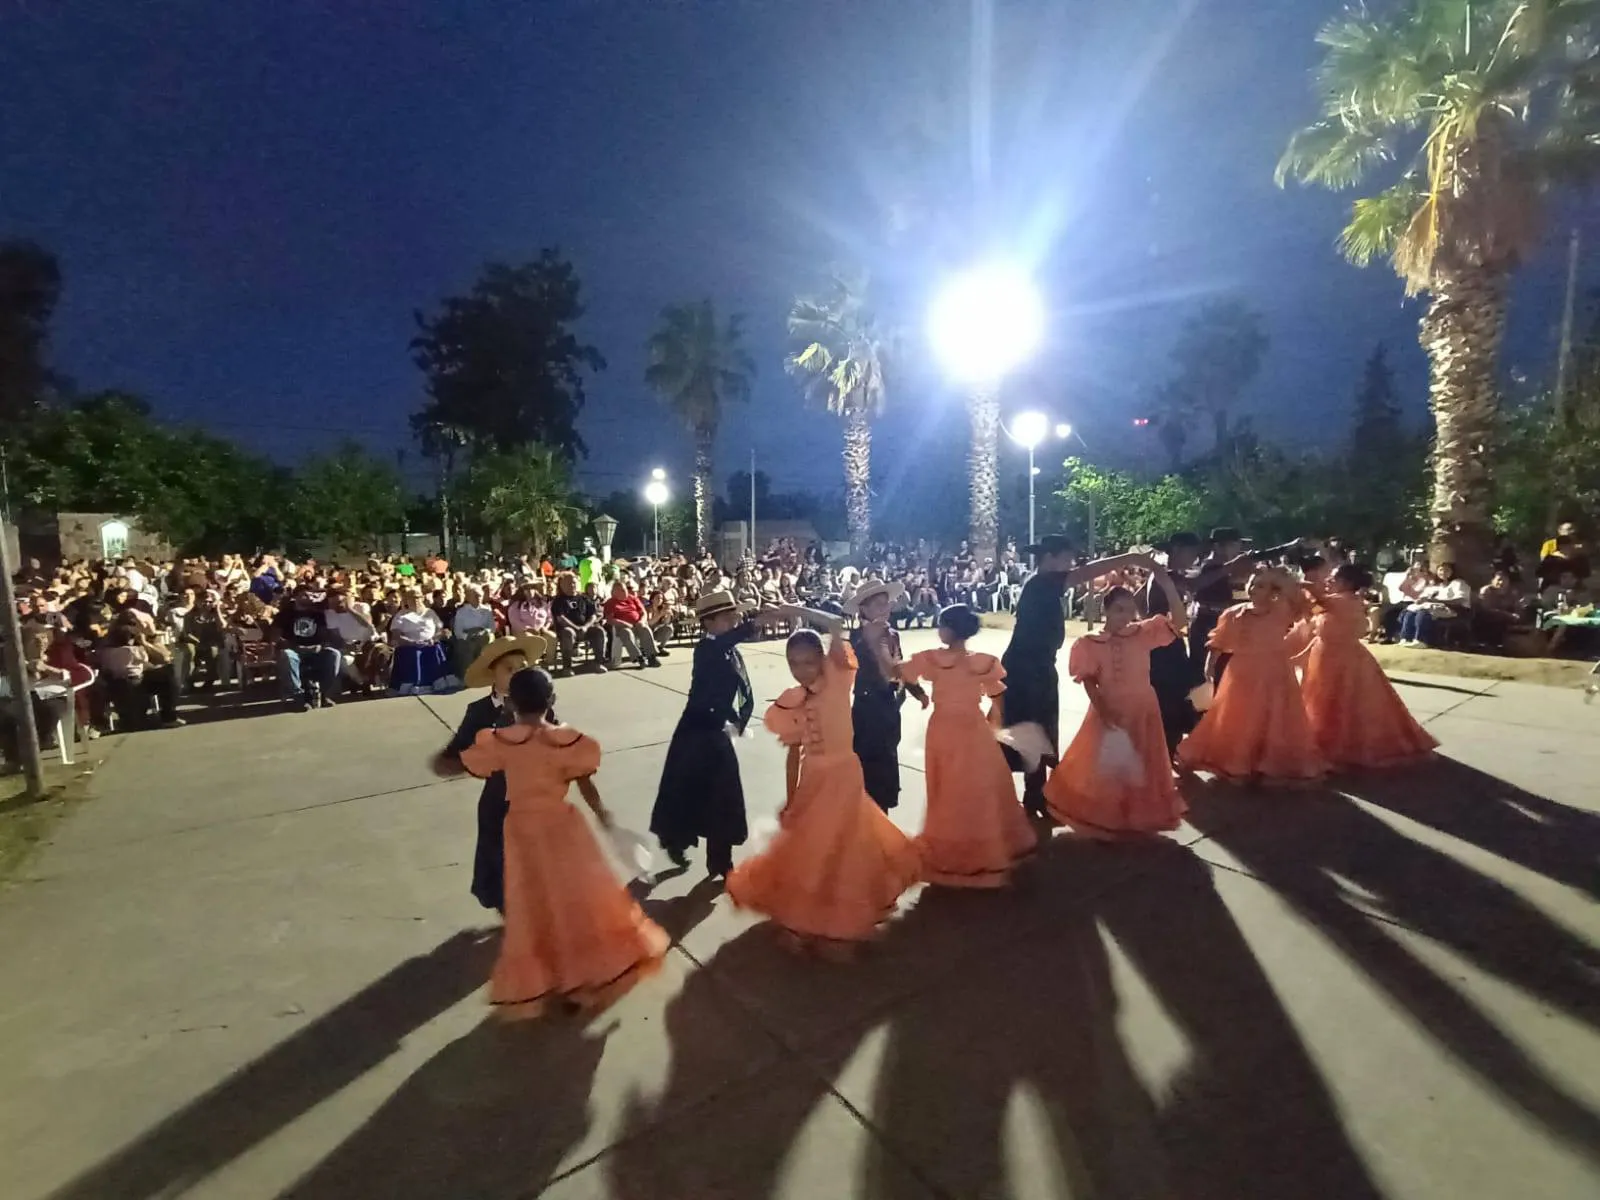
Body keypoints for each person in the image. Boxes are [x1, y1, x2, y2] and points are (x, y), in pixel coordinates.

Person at [433, 667, 669, 1014]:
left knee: (534, 903)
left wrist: (444, 761)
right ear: (552, 701)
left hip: (521, 829)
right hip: (562, 827)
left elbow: (459, 765)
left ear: (512, 704)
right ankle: (582, 975)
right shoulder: (568, 740)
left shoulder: (501, 741)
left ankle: (551, 975)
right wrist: (604, 817)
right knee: (572, 900)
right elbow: (585, 781)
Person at [725, 609, 921, 957]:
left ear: (823, 660)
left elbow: (834, 625)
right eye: (793, 663)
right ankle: (806, 915)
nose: (801, 670)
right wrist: (792, 798)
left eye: (807, 662)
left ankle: (833, 916)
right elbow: (794, 753)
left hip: (843, 774)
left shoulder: (838, 679)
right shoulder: (793, 700)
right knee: (814, 847)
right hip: (814, 781)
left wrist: (789, 611)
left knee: (838, 846)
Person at [998, 535, 1161, 815]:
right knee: (1031, 732)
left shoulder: (1043, 585)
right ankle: (1031, 795)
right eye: (1067, 557)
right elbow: (1088, 572)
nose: (1071, 564)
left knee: (1036, 732)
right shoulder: (1042, 583)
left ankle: (1035, 794)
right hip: (1025, 670)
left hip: (1035, 667)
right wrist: (1130, 559)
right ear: (1051, 557)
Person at [1046, 569, 1189, 838]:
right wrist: (1103, 709)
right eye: (1119, 610)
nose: (1125, 616)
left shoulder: (1143, 633)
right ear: (1106, 610)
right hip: (1109, 708)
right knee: (1107, 766)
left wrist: (1169, 587)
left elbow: (1178, 622)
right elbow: (1089, 681)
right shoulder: (1089, 643)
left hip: (1144, 708)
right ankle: (1106, 815)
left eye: (1129, 611)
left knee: (1142, 761)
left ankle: (1137, 814)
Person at [900, 604, 1036, 885]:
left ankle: (954, 843)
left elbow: (902, 672)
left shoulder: (933, 659)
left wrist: (918, 692)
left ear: (950, 629)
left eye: (941, 624)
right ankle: (981, 838)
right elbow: (997, 693)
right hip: (973, 728)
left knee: (948, 784)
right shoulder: (981, 661)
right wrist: (994, 720)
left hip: (944, 728)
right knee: (976, 784)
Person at [649, 591, 779, 877]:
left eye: (734, 615)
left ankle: (720, 860)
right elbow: (726, 644)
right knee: (686, 789)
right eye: (726, 617)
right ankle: (676, 842)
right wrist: (756, 621)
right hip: (695, 730)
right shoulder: (707, 648)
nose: (733, 620)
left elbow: (725, 691)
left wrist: (734, 719)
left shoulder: (728, 649)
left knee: (723, 794)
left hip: (717, 727)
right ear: (707, 622)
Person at [1177, 567, 1327, 784]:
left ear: (1273, 590)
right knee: (1240, 716)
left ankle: (1268, 763)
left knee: (1274, 717)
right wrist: (1209, 668)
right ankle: (1238, 761)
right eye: (1254, 584)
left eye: (1263, 586)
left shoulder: (1282, 609)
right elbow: (1217, 643)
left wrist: (1280, 578)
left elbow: (1307, 603)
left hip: (1276, 672)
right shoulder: (1233, 613)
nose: (1256, 589)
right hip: (1242, 672)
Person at [439, 634, 551, 913]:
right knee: (500, 853)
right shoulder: (479, 711)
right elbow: (458, 752)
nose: (516, 674)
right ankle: (507, 903)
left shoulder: (536, 704)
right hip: (499, 798)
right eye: (509, 669)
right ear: (493, 675)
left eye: (522, 667)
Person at [1298, 565, 1438, 769]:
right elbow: (1312, 610)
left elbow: (1316, 599)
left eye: (1333, 578)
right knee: (1330, 701)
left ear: (1347, 583)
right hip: (1329, 656)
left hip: (1340, 660)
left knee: (1338, 702)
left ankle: (1337, 746)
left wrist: (1298, 583)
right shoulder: (1340, 601)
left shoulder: (1343, 600)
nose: (1328, 580)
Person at [846, 580, 927, 813]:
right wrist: (876, 641)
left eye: (886, 604)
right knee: (869, 760)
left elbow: (899, 666)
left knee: (888, 756)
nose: (885, 609)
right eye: (878, 605)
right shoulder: (858, 637)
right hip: (868, 708)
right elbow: (879, 665)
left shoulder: (893, 634)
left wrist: (915, 689)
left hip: (890, 706)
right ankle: (868, 811)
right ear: (864, 609)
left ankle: (883, 811)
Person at [1144, 532, 1204, 756]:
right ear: (1177, 549)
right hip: (1164, 650)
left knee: (1175, 700)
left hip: (1168, 644)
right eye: (1191, 551)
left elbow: (1141, 600)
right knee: (1170, 703)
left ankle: (1169, 751)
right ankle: (1165, 756)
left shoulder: (1161, 575)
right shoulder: (1167, 576)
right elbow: (1197, 582)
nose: (1195, 556)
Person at [274, 585, 343, 710]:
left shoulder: (318, 615)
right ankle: (298, 697)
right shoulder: (285, 614)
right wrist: (295, 646)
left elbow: (326, 636)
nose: (310, 597)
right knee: (287, 655)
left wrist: (320, 646)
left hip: (316, 650)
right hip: (295, 651)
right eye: (305, 594)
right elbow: (275, 637)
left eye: (311, 594)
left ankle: (324, 694)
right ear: (295, 597)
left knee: (334, 654)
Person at [388, 589, 456, 694]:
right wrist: (412, 642)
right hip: (409, 645)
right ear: (406, 600)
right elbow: (396, 636)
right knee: (415, 653)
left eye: (417, 597)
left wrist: (433, 639)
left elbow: (441, 630)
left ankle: (438, 682)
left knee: (435, 649)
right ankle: (418, 684)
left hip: (430, 643)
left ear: (422, 598)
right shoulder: (401, 615)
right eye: (411, 598)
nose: (415, 600)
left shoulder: (430, 612)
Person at [1396, 562, 1472, 648]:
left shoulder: (1459, 583)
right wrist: (1420, 600)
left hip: (1455, 610)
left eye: (1447, 570)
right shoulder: (1436, 586)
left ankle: (1421, 640)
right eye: (1441, 570)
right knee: (1410, 612)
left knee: (1423, 613)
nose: (1443, 572)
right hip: (1437, 608)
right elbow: (1421, 596)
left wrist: (1433, 600)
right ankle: (1406, 638)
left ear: (1452, 572)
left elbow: (1460, 600)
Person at [550, 573, 607, 675]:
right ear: (562, 585)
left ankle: (598, 662)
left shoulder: (584, 598)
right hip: (567, 630)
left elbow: (593, 615)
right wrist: (576, 628)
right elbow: (561, 618)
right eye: (568, 583)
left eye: (574, 582)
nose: (572, 585)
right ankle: (567, 667)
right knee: (568, 633)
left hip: (585, 628)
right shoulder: (558, 601)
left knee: (599, 631)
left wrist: (585, 627)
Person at [603, 580, 661, 669]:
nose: (625, 591)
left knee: (645, 629)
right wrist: (625, 624)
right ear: (615, 592)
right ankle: (639, 657)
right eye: (621, 590)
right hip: (622, 627)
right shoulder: (610, 603)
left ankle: (652, 656)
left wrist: (641, 621)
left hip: (638, 624)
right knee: (626, 633)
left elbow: (643, 612)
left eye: (625, 589)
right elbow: (610, 620)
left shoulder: (633, 598)